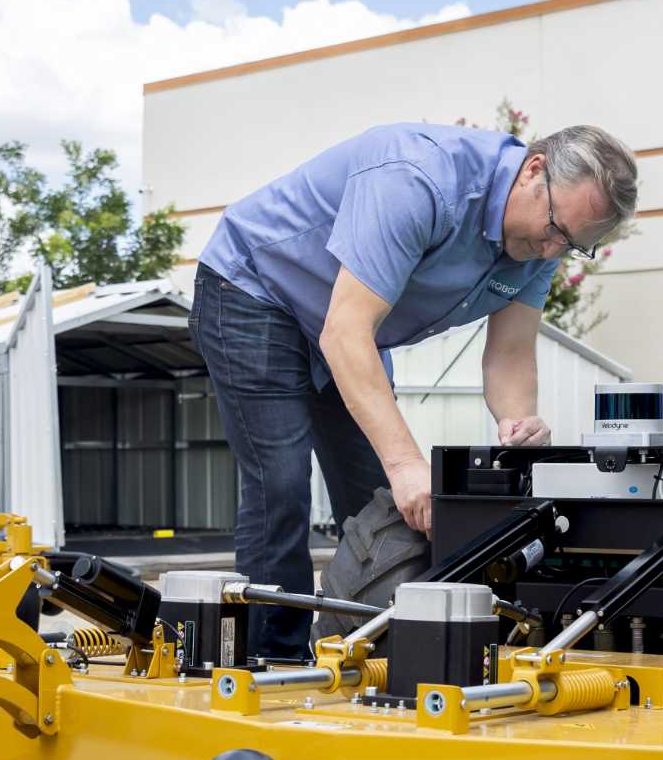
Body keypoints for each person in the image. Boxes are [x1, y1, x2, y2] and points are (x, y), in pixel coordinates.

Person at [191, 121, 639, 661]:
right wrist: (407, 463)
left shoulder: (541, 248)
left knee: (380, 505)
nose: (552, 248)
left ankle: (368, 656)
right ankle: (270, 661)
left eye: (571, 245)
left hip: (346, 323)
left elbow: (511, 354)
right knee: (281, 485)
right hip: (256, 288)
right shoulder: (419, 180)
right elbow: (345, 331)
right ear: (534, 170)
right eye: (554, 229)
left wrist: (518, 423)